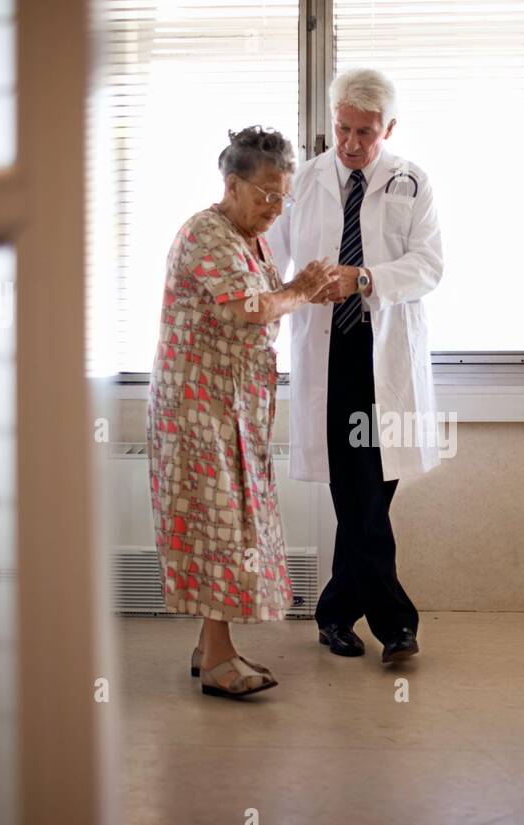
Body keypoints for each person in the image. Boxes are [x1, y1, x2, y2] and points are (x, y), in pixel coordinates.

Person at [148, 126, 336, 698]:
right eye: (266, 196)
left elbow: (261, 297)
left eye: (284, 197)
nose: (276, 209)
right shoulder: (207, 233)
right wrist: (300, 290)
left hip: (229, 405)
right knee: (218, 527)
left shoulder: (245, 236)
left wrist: (305, 288)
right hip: (197, 408)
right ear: (232, 184)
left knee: (231, 525)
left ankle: (212, 647)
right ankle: (217, 661)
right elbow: (246, 307)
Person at [270, 68, 444, 665]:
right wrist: (293, 291)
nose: (348, 143)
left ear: (387, 128)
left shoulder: (411, 182)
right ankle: (398, 626)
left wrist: (365, 277)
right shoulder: (304, 182)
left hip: (385, 356)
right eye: (341, 128)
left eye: (364, 132)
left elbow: (429, 266)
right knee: (358, 495)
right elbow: (270, 257)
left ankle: (335, 613)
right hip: (332, 358)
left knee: (372, 496)